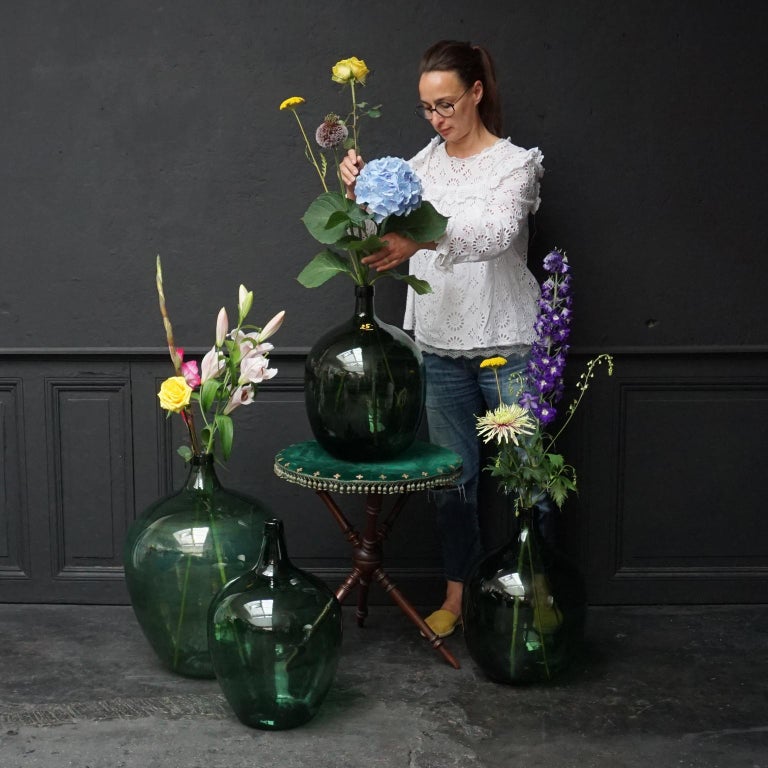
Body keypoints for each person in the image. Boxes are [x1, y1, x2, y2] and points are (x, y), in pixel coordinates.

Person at [340, 40, 544, 639]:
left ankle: (537, 596)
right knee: (453, 483)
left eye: (446, 105)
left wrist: (423, 239)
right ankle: (457, 597)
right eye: (427, 108)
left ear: (476, 92)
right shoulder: (420, 166)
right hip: (437, 345)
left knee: (530, 480)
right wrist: (355, 189)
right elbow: (378, 227)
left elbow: (496, 233)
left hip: (508, 344)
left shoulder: (515, 164)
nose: (437, 119)